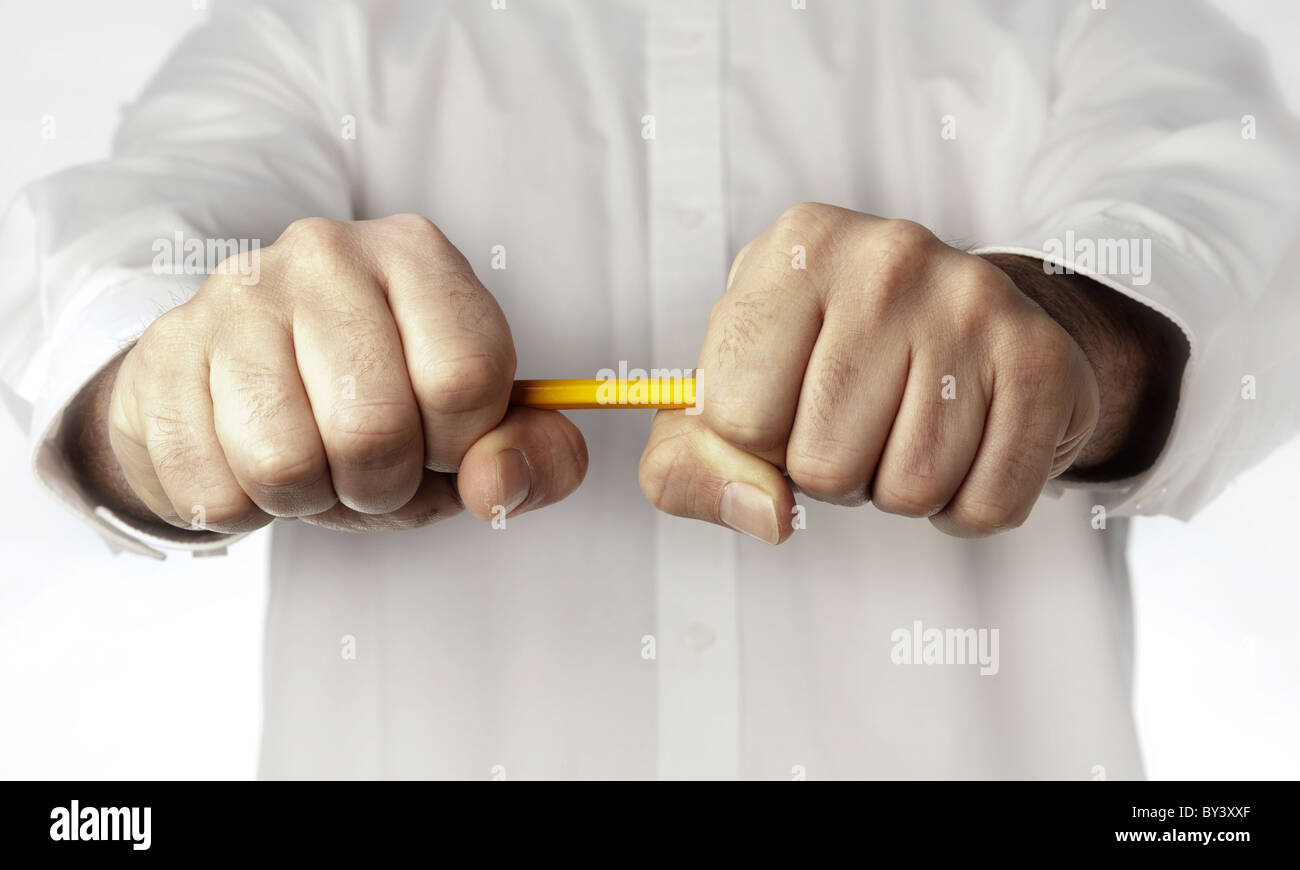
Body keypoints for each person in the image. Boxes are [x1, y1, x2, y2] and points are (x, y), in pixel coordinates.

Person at [2, 0, 1297, 779]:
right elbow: (104, 271)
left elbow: (1242, 242)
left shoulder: (1082, 18)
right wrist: (169, 396)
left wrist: (1065, 338)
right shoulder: (327, 28)